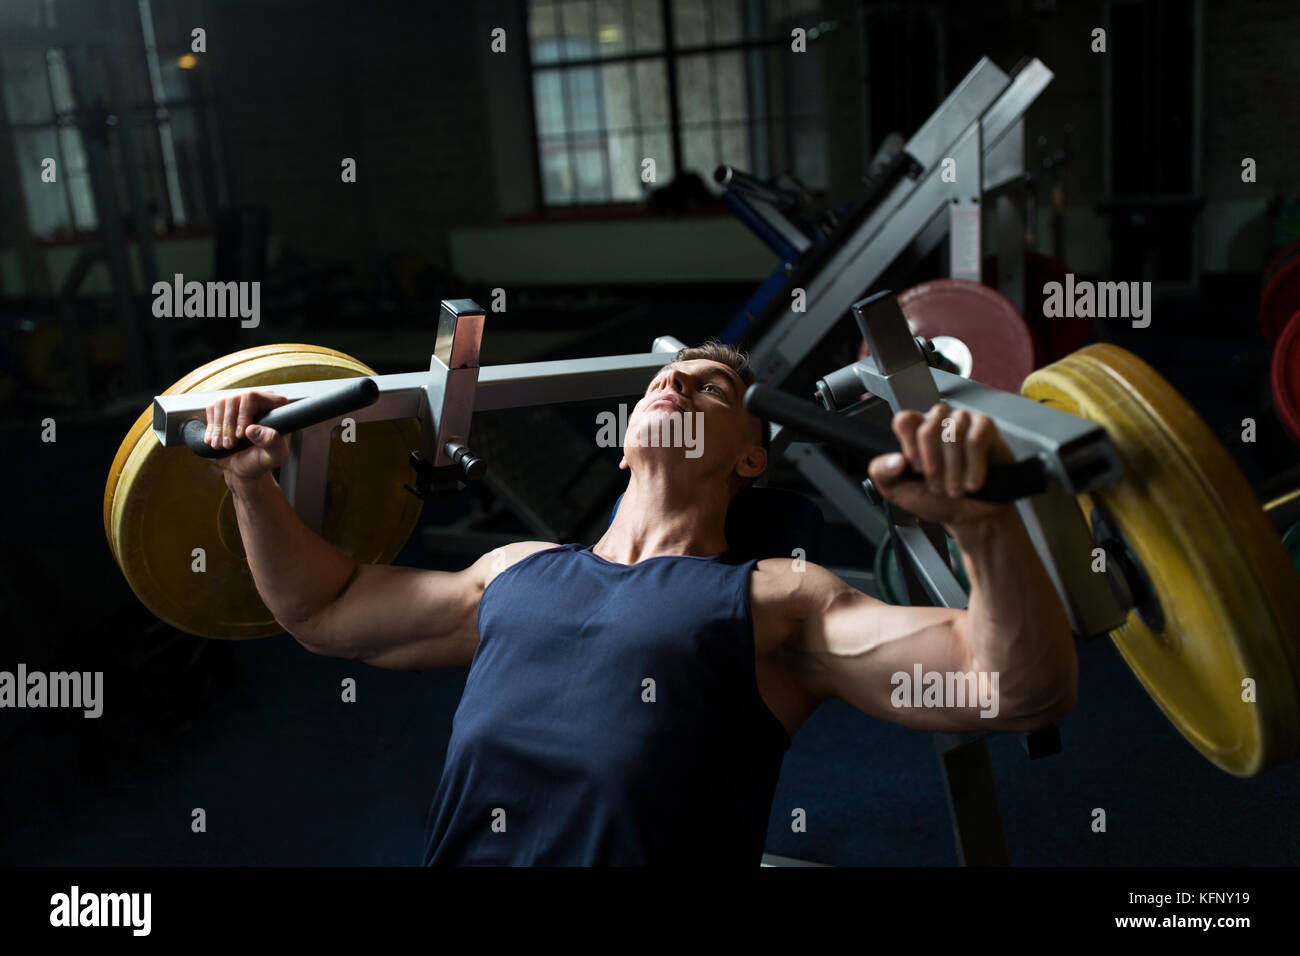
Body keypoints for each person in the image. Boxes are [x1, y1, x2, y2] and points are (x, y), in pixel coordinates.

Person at [204, 341, 1076, 865]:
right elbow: (324, 610)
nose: (677, 386)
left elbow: (1009, 688)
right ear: (623, 448)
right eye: (667, 380)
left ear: (748, 460)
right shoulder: (512, 571)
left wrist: (985, 526)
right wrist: (251, 483)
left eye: (712, 390)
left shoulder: (778, 600)